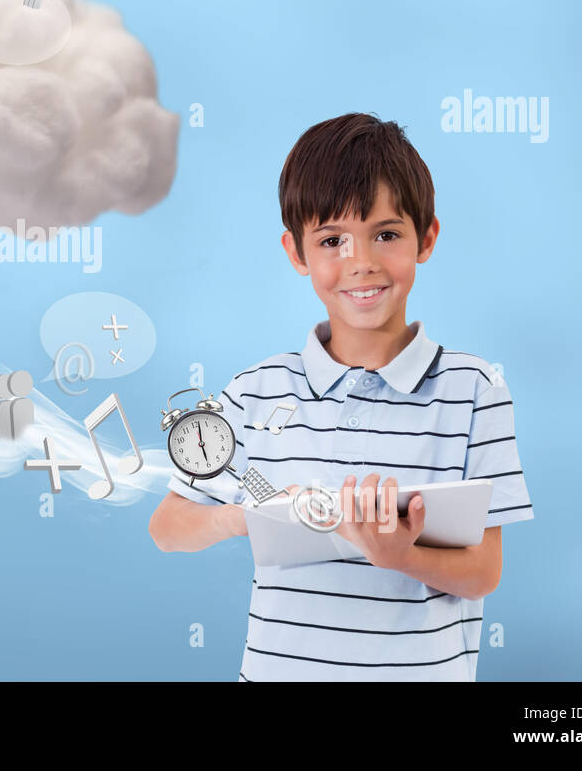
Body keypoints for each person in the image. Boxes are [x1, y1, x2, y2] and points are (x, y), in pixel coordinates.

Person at [148, 112, 534, 681]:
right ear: (296, 252)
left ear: (425, 237)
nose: (361, 262)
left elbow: (483, 572)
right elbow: (168, 527)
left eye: (386, 233)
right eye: (332, 240)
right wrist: (246, 516)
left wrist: (397, 554)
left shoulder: (473, 390)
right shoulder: (255, 392)